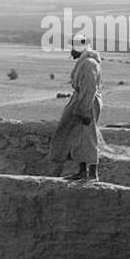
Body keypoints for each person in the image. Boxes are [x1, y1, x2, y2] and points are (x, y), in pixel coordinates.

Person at [50, 34, 104, 181]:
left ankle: (92, 174)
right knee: (78, 135)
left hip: (88, 101)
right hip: (82, 100)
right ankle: (82, 172)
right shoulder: (84, 62)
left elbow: (90, 88)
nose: (71, 51)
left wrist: (84, 109)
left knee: (88, 136)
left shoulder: (89, 64)